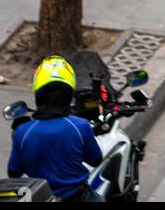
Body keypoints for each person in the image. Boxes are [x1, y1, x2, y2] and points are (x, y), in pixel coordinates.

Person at [7, 55, 105, 202]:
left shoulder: (23, 131)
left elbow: (13, 172)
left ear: (38, 93)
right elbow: (95, 160)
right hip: (77, 197)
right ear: (69, 92)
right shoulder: (79, 126)